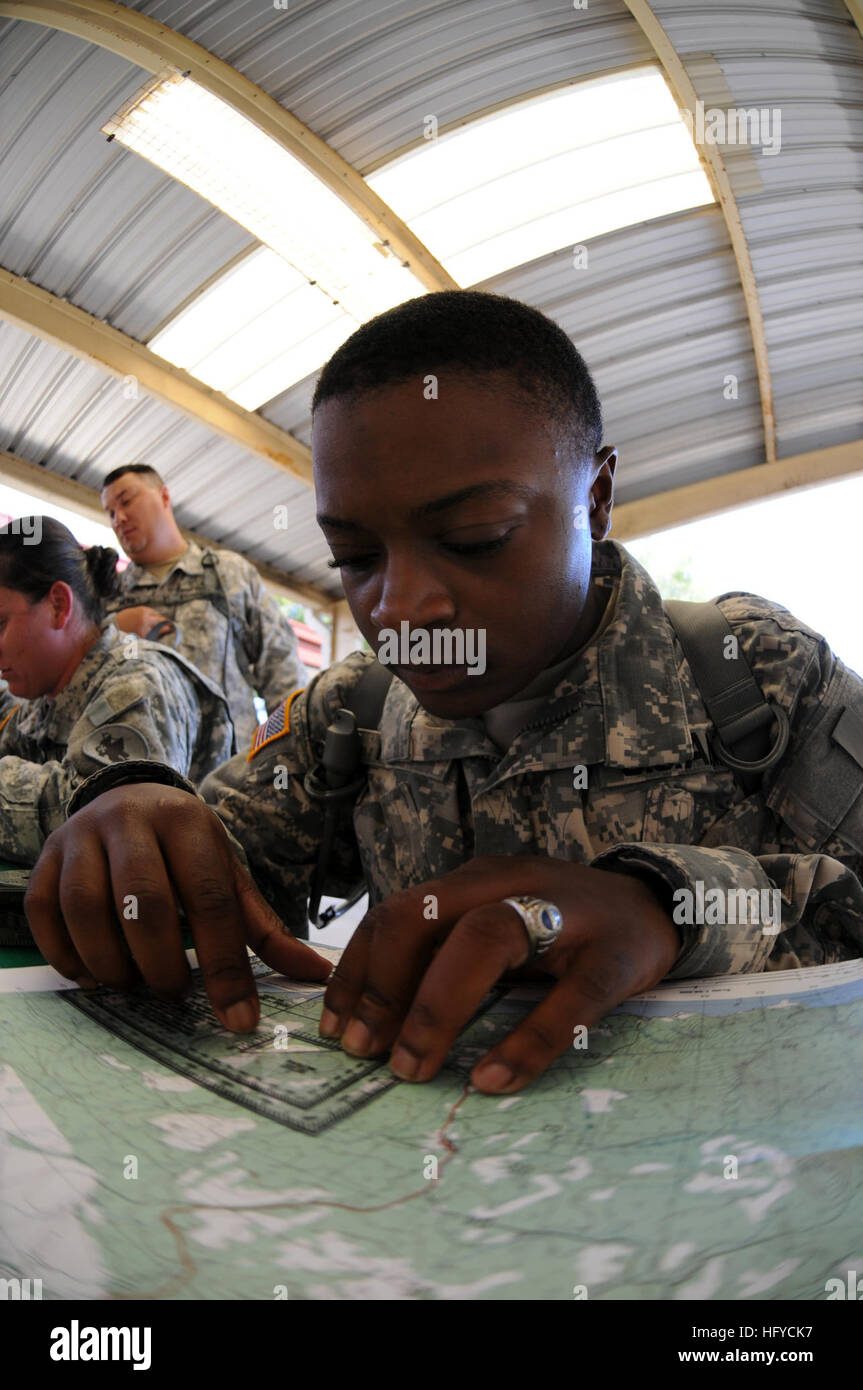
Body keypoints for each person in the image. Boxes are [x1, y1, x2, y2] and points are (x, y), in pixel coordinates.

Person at [24, 292, 863, 1079]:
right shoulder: (347, 715)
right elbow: (222, 866)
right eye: (354, 557)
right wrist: (137, 821)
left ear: (595, 498)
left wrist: (674, 907)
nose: (400, 607)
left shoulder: (753, 674)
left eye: (473, 538)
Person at [0, 517, 234, 865]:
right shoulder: (38, 701)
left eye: (0, 623)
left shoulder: (139, 681)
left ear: (58, 605)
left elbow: (105, 826)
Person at [99, 465, 307, 747]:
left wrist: (286, 753)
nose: (119, 518)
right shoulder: (110, 596)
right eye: (110, 512)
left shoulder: (228, 574)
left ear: (163, 496)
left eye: (126, 501)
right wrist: (113, 628)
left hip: (227, 776)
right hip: (141, 771)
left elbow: (282, 669)